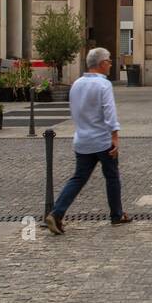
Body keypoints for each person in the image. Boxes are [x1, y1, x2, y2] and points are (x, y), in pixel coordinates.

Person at [45, 48, 129, 234]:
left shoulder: (77, 84)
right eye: (108, 61)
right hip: (102, 140)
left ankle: (57, 213)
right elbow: (109, 111)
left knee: (78, 178)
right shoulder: (103, 85)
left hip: (82, 139)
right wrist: (115, 136)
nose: (110, 64)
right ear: (101, 64)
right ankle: (116, 215)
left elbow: (75, 111)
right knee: (112, 177)